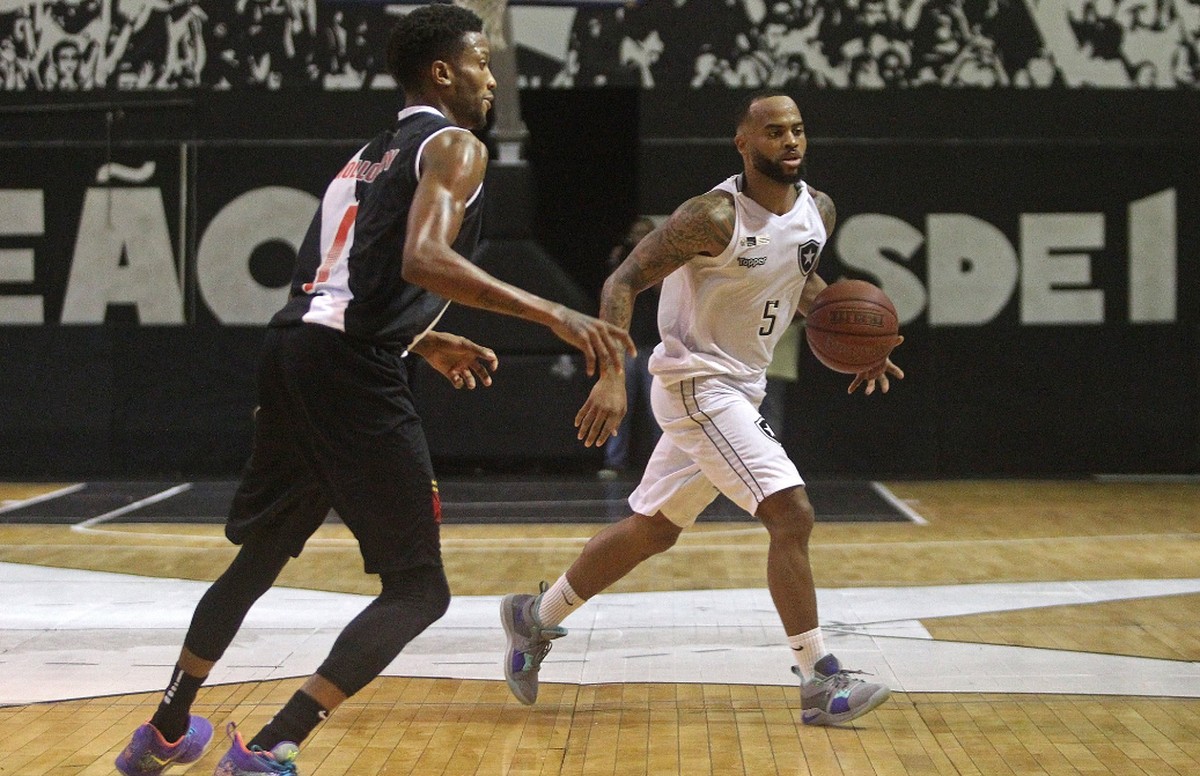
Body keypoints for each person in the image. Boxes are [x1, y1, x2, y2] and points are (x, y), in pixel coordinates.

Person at [114, 6, 634, 775]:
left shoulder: (365, 156)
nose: (493, 78)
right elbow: (424, 259)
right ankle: (269, 745)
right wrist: (550, 309)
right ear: (443, 72)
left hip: (293, 350)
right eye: (483, 61)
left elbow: (335, 280)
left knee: (261, 556)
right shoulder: (455, 145)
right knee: (419, 589)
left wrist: (420, 336)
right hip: (350, 368)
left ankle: (163, 730)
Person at [502, 91, 903, 726]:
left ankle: (535, 616)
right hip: (696, 384)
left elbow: (801, 286)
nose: (790, 142)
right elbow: (623, 281)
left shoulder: (817, 210)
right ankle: (819, 680)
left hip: (741, 387)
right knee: (790, 512)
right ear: (744, 143)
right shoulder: (713, 216)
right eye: (774, 132)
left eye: (797, 130)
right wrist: (612, 375)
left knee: (654, 530)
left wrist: (860, 342)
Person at [599, 215, 660, 478]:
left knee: (659, 409)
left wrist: (652, 265)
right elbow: (611, 292)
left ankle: (663, 465)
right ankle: (614, 461)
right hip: (625, 345)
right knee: (617, 405)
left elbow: (662, 291)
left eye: (645, 234)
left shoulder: (664, 259)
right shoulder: (622, 262)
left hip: (654, 347)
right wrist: (621, 261)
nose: (639, 239)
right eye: (635, 234)